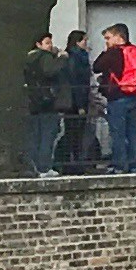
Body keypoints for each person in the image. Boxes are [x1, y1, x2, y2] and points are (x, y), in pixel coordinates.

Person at [95, 23, 136, 176]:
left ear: (119, 37)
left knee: (117, 133)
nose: (106, 41)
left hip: (118, 97)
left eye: (108, 38)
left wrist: (105, 52)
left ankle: (119, 165)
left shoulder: (113, 53)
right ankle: (134, 164)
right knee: (133, 132)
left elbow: (96, 67)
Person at [21, 36, 64, 177]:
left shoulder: (29, 59)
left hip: (33, 101)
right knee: (47, 135)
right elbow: (50, 71)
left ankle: (33, 166)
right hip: (47, 101)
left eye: (51, 42)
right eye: (47, 43)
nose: (50, 45)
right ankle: (44, 167)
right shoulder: (46, 57)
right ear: (38, 44)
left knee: (35, 136)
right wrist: (61, 58)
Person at [58, 30, 97, 170]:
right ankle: (74, 163)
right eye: (84, 41)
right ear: (77, 42)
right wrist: (80, 104)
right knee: (75, 133)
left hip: (75, 99)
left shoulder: (75, 56)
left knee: (74, 132)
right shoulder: (76, 58)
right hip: (76, 101)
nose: (86, 44)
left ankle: (73, 162)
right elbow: (77, 82)